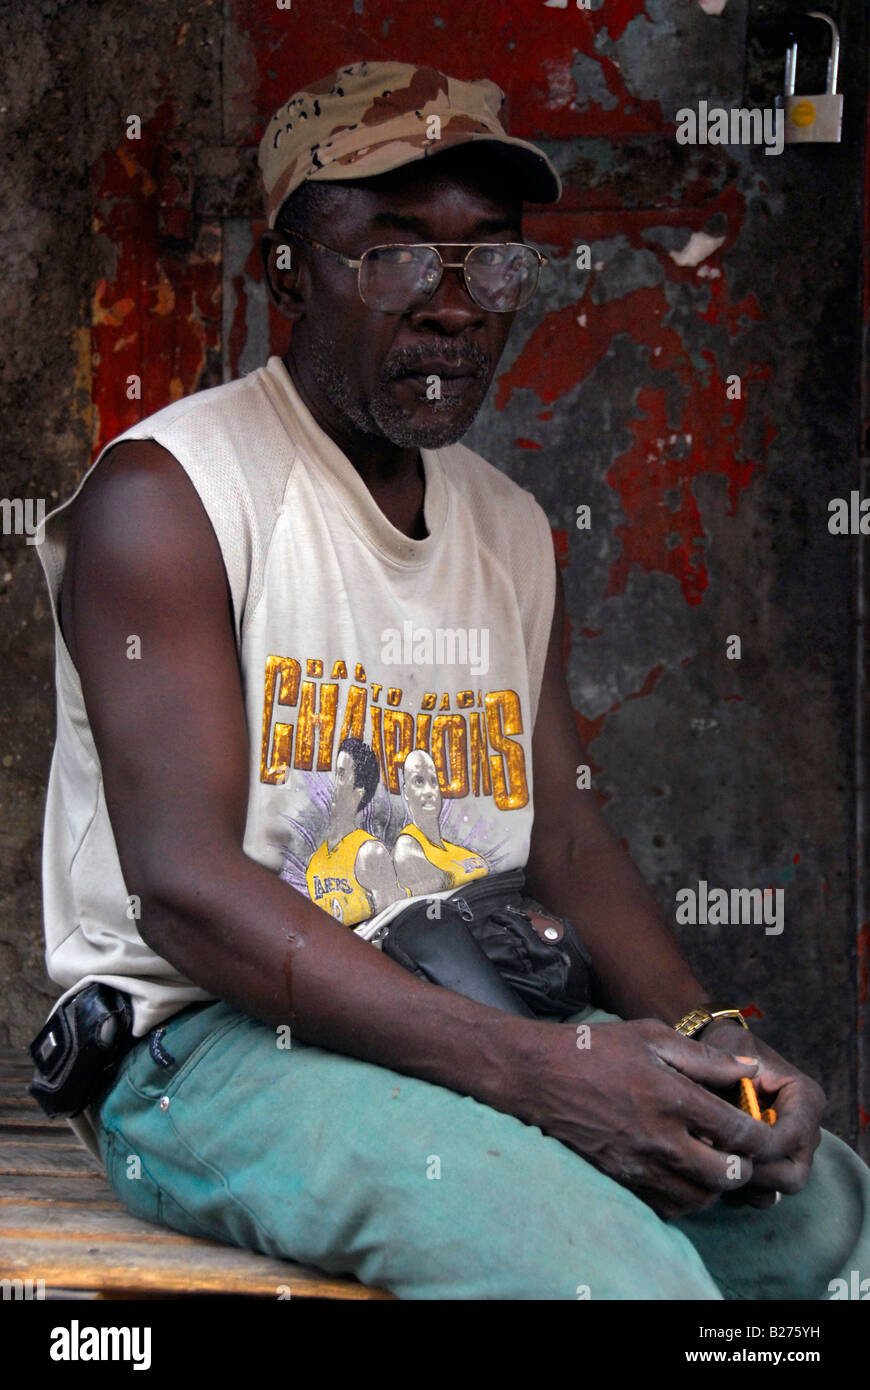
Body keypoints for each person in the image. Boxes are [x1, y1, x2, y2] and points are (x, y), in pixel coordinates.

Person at [33, 59, 869, 1299]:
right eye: (395, 253)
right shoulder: (170, 499)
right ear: (286, 276)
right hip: (206, 1046)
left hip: (459, 1016)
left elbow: (568, 841)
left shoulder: (512, 528)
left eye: (491, 258)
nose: (454, 304)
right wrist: (539, 1072)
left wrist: (707, 1037)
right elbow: (186, 893)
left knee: (823, 1219)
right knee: (611, 1277)